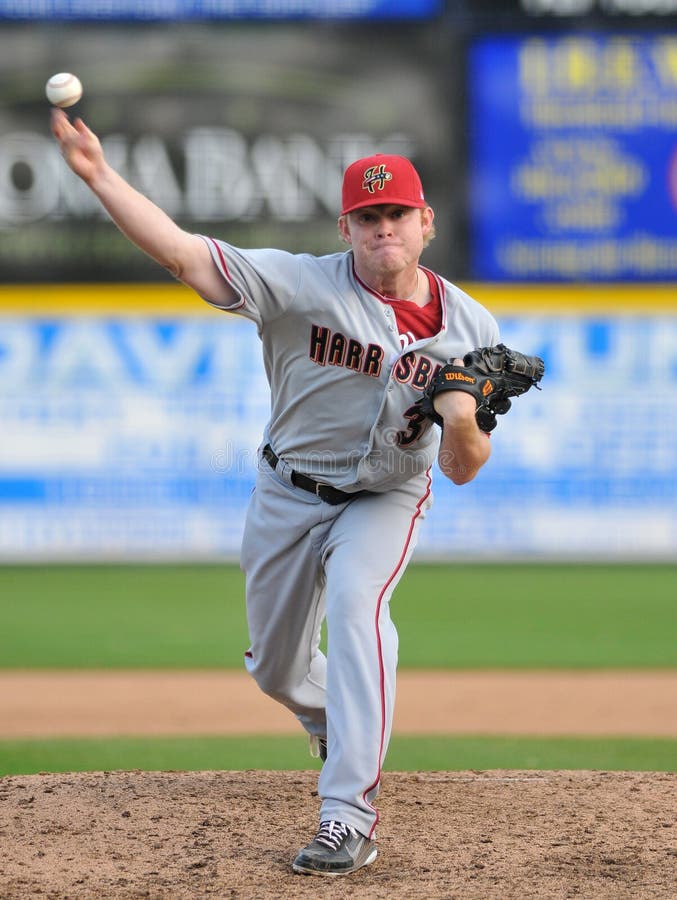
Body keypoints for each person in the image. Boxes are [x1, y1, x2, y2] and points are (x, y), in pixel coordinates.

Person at [51, 110, 499, 877]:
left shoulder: (470, 327)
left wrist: (461, 417)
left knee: (360, 609)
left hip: (385, 497)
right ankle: (333, 716)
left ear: (425, 221)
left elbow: (461, 469)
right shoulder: (297, 283)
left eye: (396, 214)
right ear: (346, 226)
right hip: (287, 490)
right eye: (367, 216)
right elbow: (184, 256)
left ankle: (347, 816)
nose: (382, 227)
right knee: (276, 669)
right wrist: (98, 176)